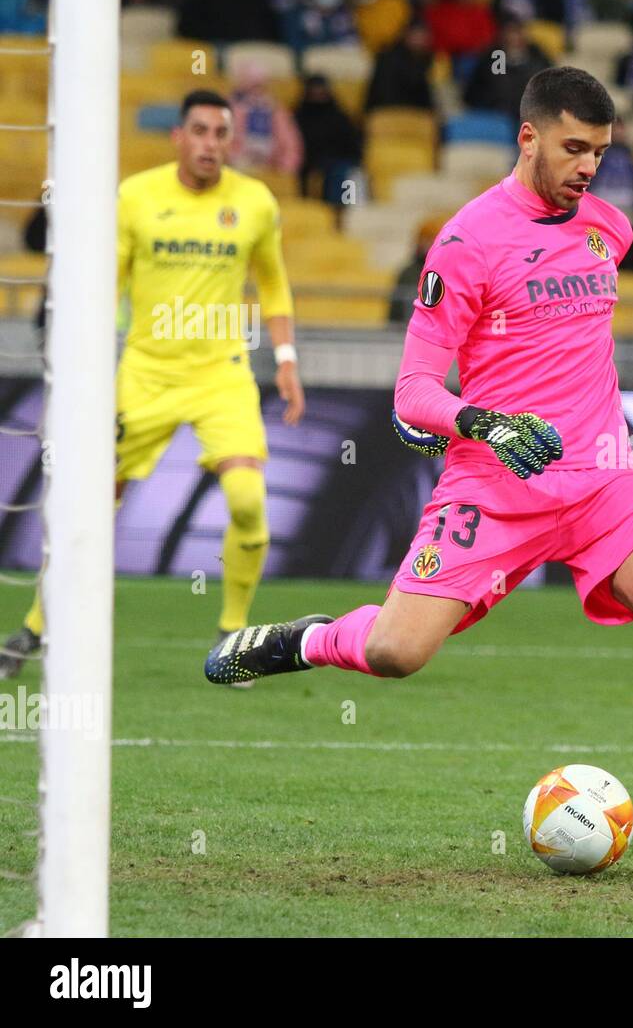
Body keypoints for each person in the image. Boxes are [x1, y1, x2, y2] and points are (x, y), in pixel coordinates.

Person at [204, 67, 633, 883]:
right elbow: (412, 395)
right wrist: (482, 422)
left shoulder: (608, 229)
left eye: (600, 152)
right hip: (491, 484)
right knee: (398, 652)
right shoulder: (466, 242)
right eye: (574, 148)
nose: (589, 167)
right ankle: (302, 639)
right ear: (529, 137)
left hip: (599, 475)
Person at [0, 90, 306, 683]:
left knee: (247, 501)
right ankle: (36, 626)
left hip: (222, 375)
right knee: (88, 503)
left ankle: (233, 635)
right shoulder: (136, 197)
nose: (211, 144)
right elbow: (107, 283)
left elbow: (272, 281)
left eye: (222, 134)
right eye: (200, 131)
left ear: (231, 142)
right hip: (144, 373)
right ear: (179, 137)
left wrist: (287, 358)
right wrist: (84, 357)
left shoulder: (255, 202)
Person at [462, 17, 553, 122]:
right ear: (502, 36)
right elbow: (475, 93)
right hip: (496, 117)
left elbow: (548, 90)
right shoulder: (493, 57)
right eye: (510, 33)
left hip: (532, 115)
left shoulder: (538, 57)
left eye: (518, 32)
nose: (514, 38)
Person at [294, 73, 364, 203]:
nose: (318, 93)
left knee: (348, 174)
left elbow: (353, 144)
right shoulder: (300, 116)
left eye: (321, 89)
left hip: (340, 161)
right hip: (310, 162)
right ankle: (332, 210)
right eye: (314, 90)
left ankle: (344, 212)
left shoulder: (340, 116)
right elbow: (297, 146)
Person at [229, 61, 304, 177]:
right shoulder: (228, 110)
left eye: (260, 86)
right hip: (237, 168)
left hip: (272, 168)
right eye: (252, 85)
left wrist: (284, 170)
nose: (256, 91)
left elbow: (292, 147)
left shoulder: (277, 111)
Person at [365, 21, 436, 113]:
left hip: (417, 114)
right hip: (387, 111)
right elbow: (384, 94)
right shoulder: (388, 58)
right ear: (406, 35)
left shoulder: (430, 60)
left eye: (423, 35)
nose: (420, 39)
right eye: (416, 34)